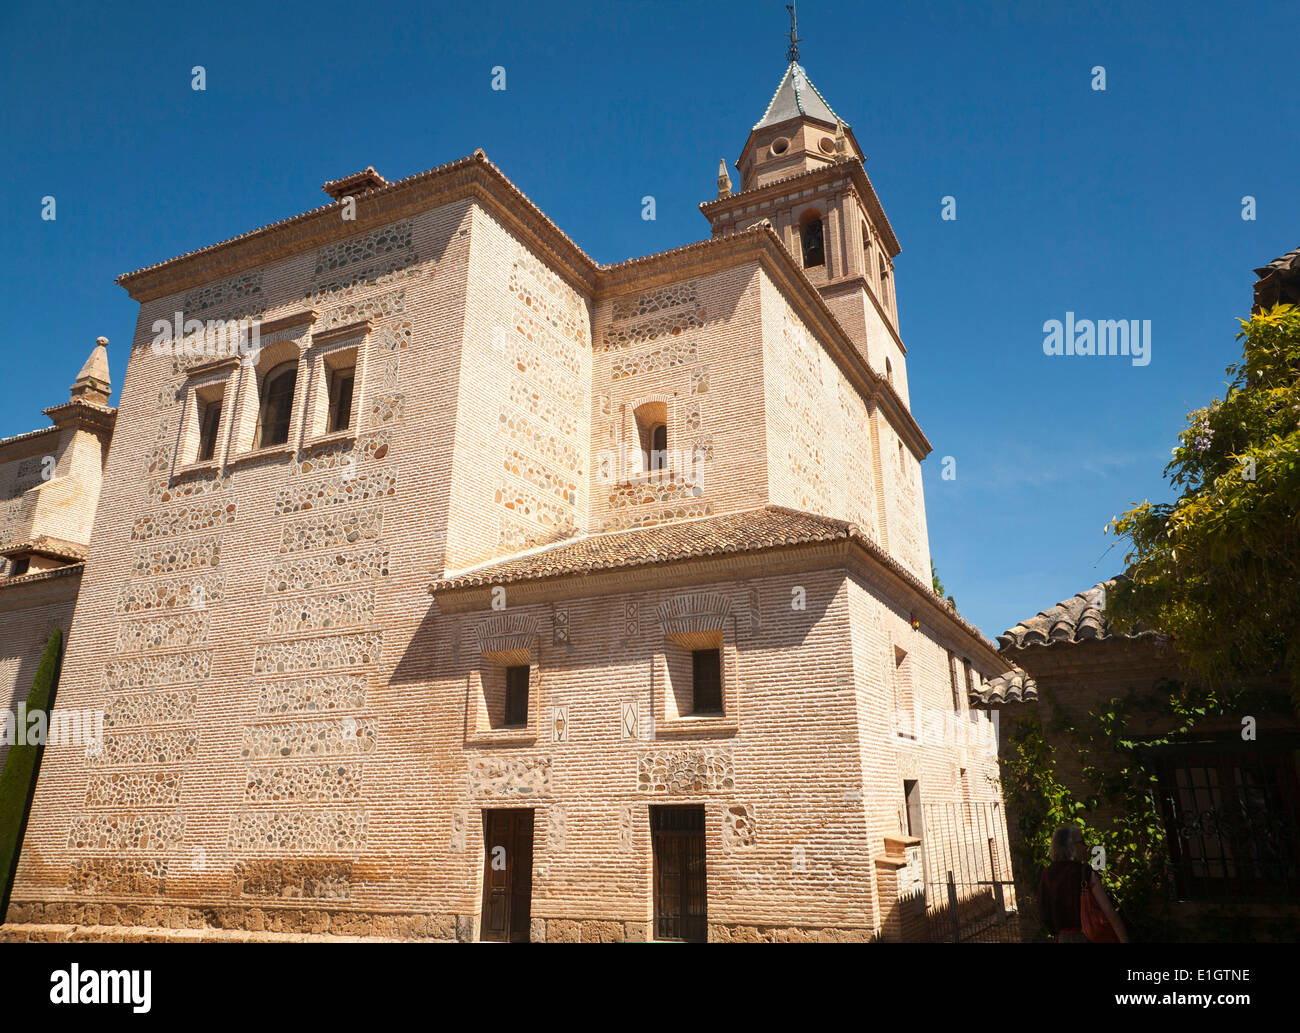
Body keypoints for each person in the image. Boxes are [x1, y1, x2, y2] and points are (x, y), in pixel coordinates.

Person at [1038, 824, 1128, 942]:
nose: (1086, 846)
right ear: (1071, 846)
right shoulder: (1084, 872)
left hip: (1062, 939)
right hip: (1089, 936)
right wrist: (1124, 939)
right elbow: (1108, 910)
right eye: (1082, 842)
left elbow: (1043, 911)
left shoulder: (1047, 874)